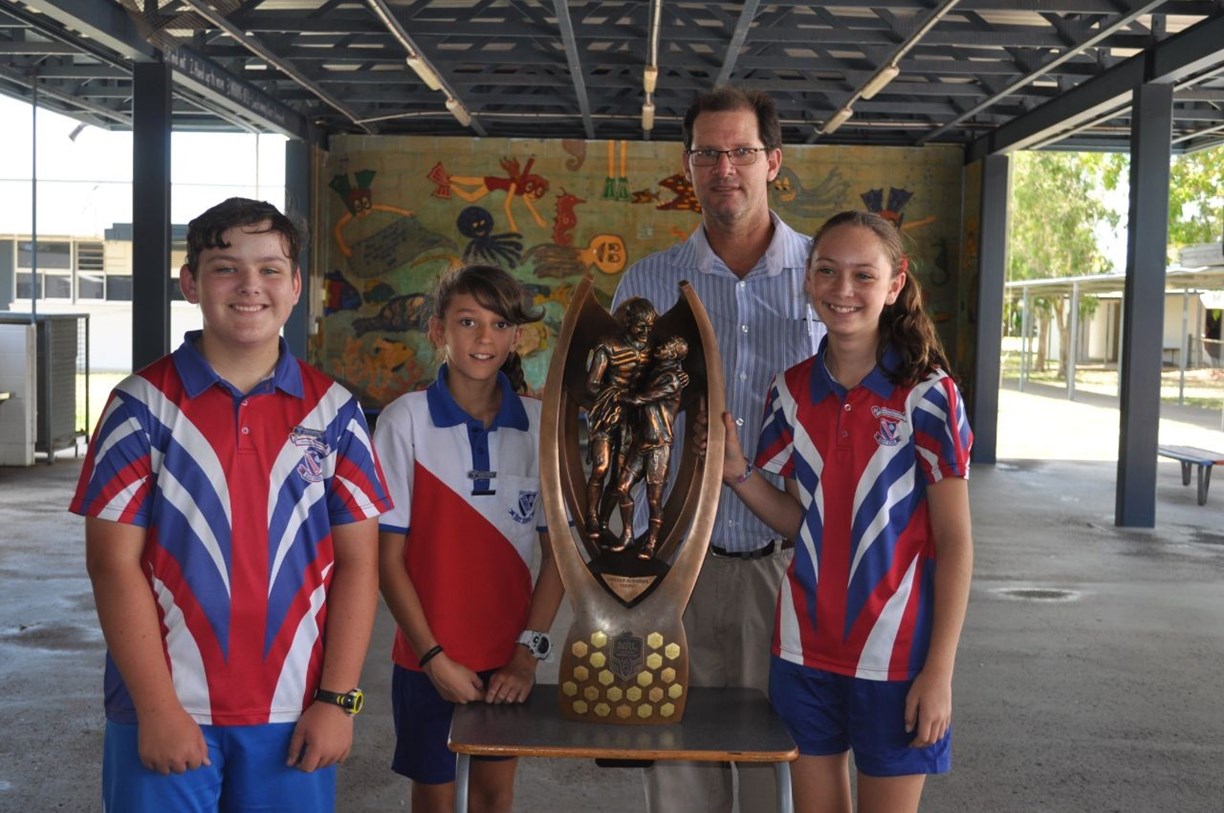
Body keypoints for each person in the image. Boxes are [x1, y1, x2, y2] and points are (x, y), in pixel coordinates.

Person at [69, 197, 392, 813]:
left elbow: (359, 566)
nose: (250, 286)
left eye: (270, 269)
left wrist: (339, 699)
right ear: (190, 281)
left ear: (296, 286)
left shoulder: (335, 413)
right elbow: (113, 566)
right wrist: (158, 709)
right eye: (225, 267)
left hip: (295, 713)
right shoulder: (139, 408)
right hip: (165, 712)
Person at [612, 84, 825, 813]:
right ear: (688, 164)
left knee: (784, 760)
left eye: (741, 151)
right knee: (678, 756)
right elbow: (618, 428)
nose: (724, 168)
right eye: (709, 153)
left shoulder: (825, 283)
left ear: (774, 161)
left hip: (790, 563)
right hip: (679, 568)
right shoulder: (646, 283)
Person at [722, 210, 974, 813]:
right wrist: (736, 475)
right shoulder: (789, 391)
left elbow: (956, 540)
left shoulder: (929, 395)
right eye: (828, 272)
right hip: (801, 652)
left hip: (896, 657)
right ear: (808, 281)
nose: (843, 290)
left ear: (894, 284)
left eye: (864, 275)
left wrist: (939, 671)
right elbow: (797, 521)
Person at [373, 265, 565, 813]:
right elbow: (388, 561)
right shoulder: (404, 421)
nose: (485, 338)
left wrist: (527, 657)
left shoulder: (539, 424)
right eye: (467, 321)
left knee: (492, 796)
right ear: (438, 331)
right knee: (434, 798)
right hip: (426, 657)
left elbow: (558, 561)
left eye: (499, 323)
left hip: (507, 660)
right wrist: (434, 658)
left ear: (517, 336)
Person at [582, 297, 658, 545]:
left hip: (633, 419)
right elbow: (592, 384)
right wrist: (616, 394)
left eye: (649, 326)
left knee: (620, 478)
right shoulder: (609, 345)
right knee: (601, 468)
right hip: (607, 414)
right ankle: (591, 515)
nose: (645, 332)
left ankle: (604, 521)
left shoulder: (651, 348)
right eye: (639, 326)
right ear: (627, 323)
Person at [612, 336, 691, 558]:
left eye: (667, 345)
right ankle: (627, 536)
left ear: (674, 355)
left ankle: (651, 543)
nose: (661, 345)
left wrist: (614, 395)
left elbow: (641, 399)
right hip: (641, 442)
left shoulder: (673, 379)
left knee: (654, 500)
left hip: (659, 444)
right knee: (622, 488)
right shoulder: (654, 371)